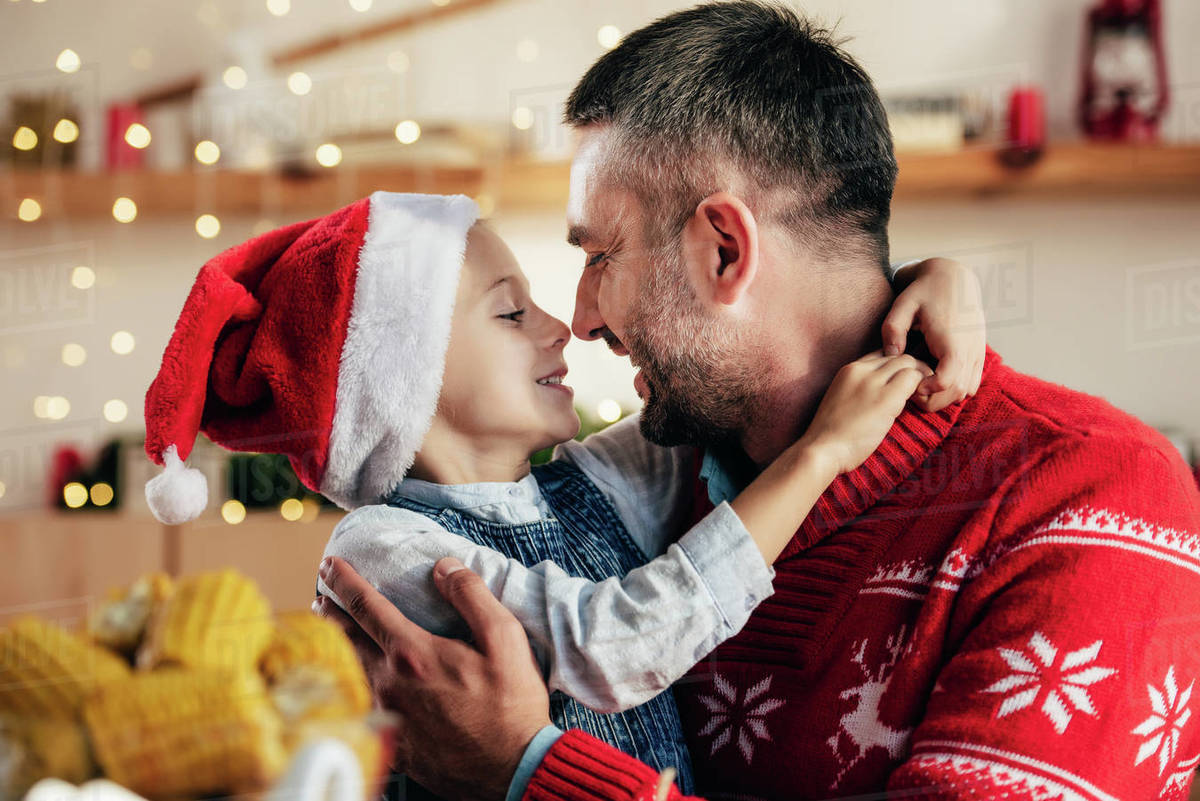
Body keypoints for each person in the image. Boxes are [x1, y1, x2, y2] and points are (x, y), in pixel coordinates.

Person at [315, 3, 1200, 801]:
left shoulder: (1089, 494)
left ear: (725, 251)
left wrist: (529, 770)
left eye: (599, 257)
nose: (580, 319)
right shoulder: (677, 484)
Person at [138, 189, 975, 795]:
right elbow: (611, 647)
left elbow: (734, 399)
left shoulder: (587, 482)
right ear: (401, 387)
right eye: (510, 315)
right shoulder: (382, 549)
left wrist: (923, 284)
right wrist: (825, 451)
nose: (558, 328)